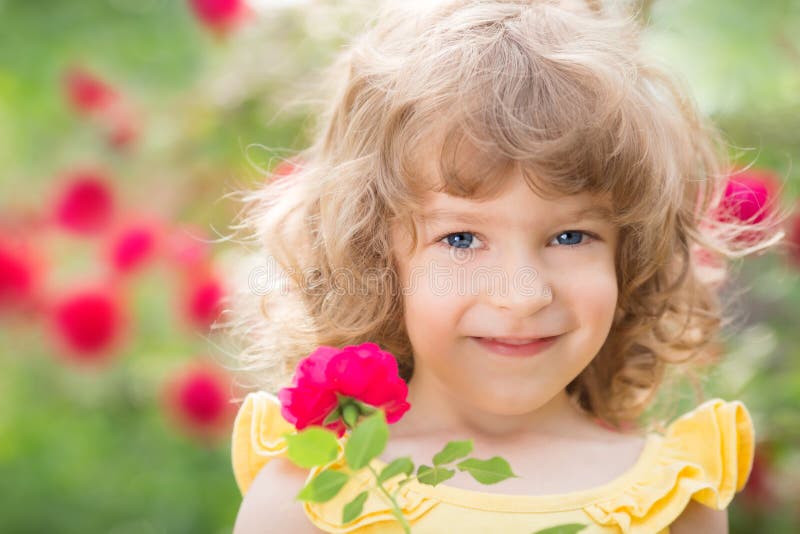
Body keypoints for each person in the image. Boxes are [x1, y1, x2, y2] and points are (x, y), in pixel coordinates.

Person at [223, 0, 790, 532]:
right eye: (462, 238)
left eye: (571, 235)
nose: (523, 295)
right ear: (378, 256)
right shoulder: (312, 496)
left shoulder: (672, 497)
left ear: (629, 254)